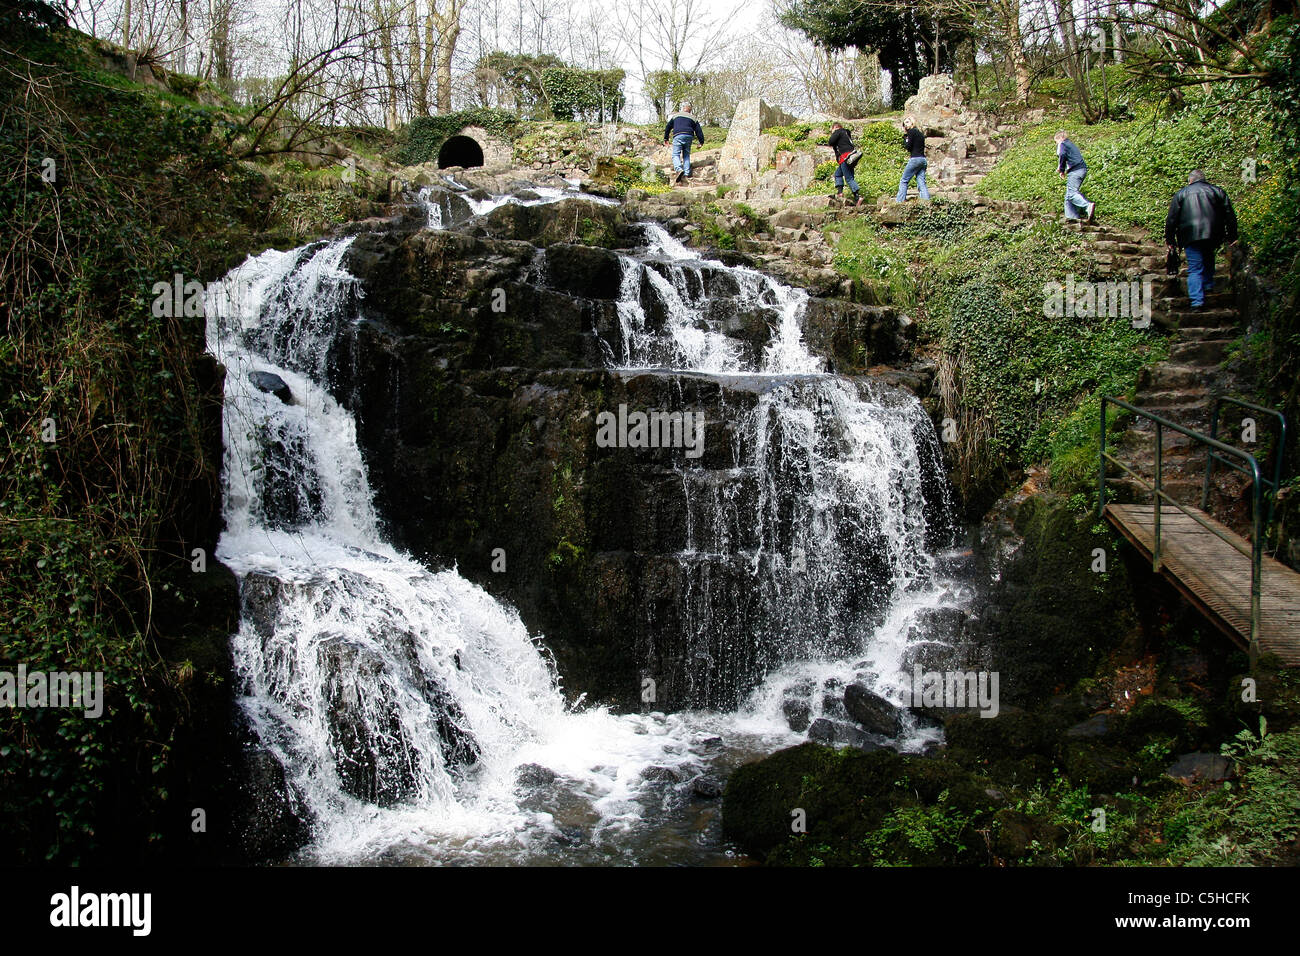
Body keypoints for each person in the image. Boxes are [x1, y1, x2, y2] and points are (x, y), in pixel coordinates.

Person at [1164, 169, 1238, 308]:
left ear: (1190, 180)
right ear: (1203, 179)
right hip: (1213, 233)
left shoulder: (1181, 194)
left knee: (1195, 268)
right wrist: (1232, 236)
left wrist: (1170, 240)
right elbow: (1229, 214)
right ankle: (1208, 285)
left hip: (1190, 235)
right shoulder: (1217, 191)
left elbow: (1172, 219)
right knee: (1209, 257)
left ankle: (1197, 301)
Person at [1055, 130, 1095, 222]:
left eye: (1056, 141)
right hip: (1082, 169)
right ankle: (1072, 218)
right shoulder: (1071, 144)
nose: (1057, 144)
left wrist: (1061, 169)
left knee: (1072, 194)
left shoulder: (1063, 144)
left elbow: (1062, 154)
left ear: (1060, 138)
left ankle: (1087, 205)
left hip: (1075, 170)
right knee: (1068, 197)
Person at [663, 102, 705, 185]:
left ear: (683, 109)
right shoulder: (693, 118)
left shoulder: (676, 116)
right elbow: (698, 130)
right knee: (686, 155)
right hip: (688, 136)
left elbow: (668, 127)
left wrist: (666, 138)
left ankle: (678, 169)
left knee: (675, 154)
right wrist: (701, 141)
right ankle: (686, 173)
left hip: (678, 135)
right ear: (690, 111)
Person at [896, 115, 929, 203]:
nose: (905, 125)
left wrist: (905, 139)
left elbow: (908, 147)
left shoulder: (911, 132)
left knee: (904, 180)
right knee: (921, 182)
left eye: (907, 122)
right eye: (904, 123)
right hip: (923, 160)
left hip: (915, 159)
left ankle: (899, 201)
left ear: (912, 122)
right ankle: (926, 202)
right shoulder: (920, 133)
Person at [828, 122, 862, 206]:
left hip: (845, 157)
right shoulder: (846, 133)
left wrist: (834, 132)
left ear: (835, 127)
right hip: (851, 158)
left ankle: (858, 196)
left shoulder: (838, 131)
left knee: (849, 178)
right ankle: (840, 192)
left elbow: (831, 142)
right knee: (838, 174)